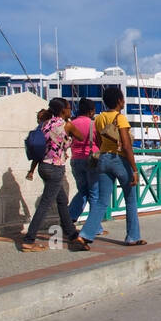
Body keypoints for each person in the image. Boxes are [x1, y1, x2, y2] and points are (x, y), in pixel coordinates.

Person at [21, 98, 89, 252]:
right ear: (63, 110)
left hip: (43, 166)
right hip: (55, 168)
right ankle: (29, 239)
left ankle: (71, 234)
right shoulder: (66, 125)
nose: (70, 111)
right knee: (45, 204)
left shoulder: (45, 124)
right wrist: (69, 122)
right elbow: (80, 137)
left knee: (62, 200)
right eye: (69, 108)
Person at [95, 86, 144, 245]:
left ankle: (87, 233)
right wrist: (135, 170)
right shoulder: (120, 117)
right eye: (123, 98)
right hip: (119, 159)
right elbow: (127, 145)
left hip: (103, 158)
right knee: (130, 199)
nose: (124, 101)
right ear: (118, 101)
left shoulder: (99, 118)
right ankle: (133, 237)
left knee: (102, 200)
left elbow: (98, 140)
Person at [67, 97, 108, 237]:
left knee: (83, 190)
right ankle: (94, 227)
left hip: (75, 159)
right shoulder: (93, 124)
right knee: (94, 193)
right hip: (91, 159)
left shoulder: (71, 123)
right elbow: (101, 141)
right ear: (91, 111)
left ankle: (70, 216)